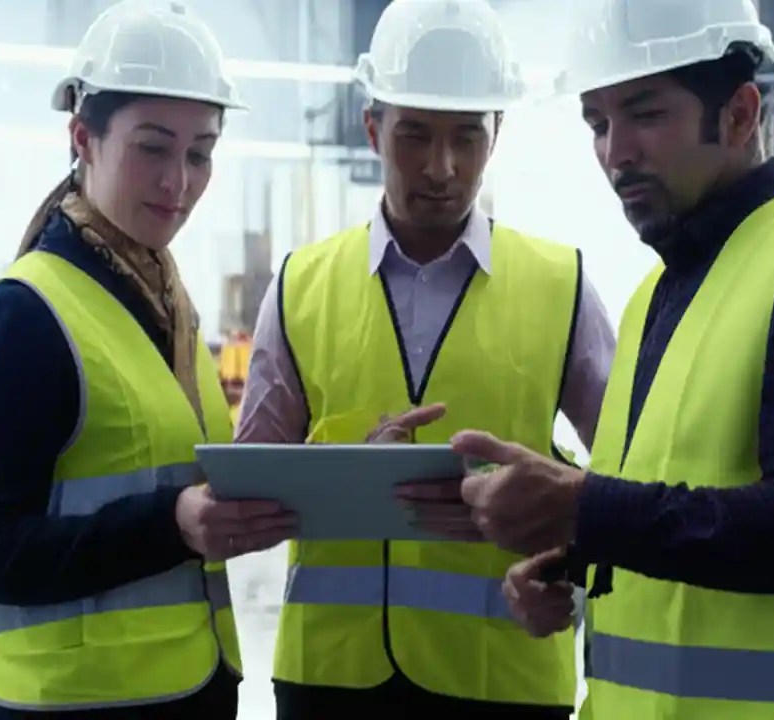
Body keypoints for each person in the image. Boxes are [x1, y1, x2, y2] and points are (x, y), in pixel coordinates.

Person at [452, 0, 774, 718]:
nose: (616, 151)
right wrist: (574, 562)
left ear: (739, 114)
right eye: (598, 122)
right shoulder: (657, 294)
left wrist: (584, 507)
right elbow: (674, 500)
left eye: (645, 114)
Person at [234, 0, 615, 717]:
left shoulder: (562, 287)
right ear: (373, 127)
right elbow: (248, 491)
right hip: (332, 680)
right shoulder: (300, 286)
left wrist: (567, 558)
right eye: (414, 135)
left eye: (467, 138)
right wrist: (354, 470)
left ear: (495, 137)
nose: (442, 167)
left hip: (501, 677)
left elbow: (632, 484)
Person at [0, 2, 296, 717]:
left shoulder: (166, 303)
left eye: (201, 153)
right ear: (84, 138)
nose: (179, 182)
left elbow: (193, 477)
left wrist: (344, 471)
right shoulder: (24, 317)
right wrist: (172, 525)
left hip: (181, 686)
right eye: (153, 147)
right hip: (62, 704)